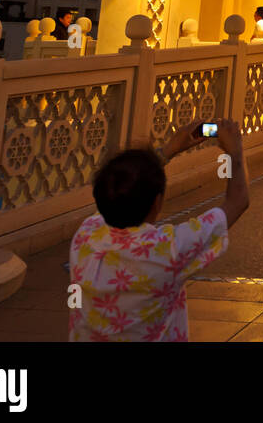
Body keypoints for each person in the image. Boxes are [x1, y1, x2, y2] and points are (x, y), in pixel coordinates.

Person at [69, 118, 249, 341]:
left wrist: (167, 150)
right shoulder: (167, 250)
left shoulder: (86, 235)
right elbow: (237, 201)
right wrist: (234, 153)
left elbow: (117, 193)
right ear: (157, 203)